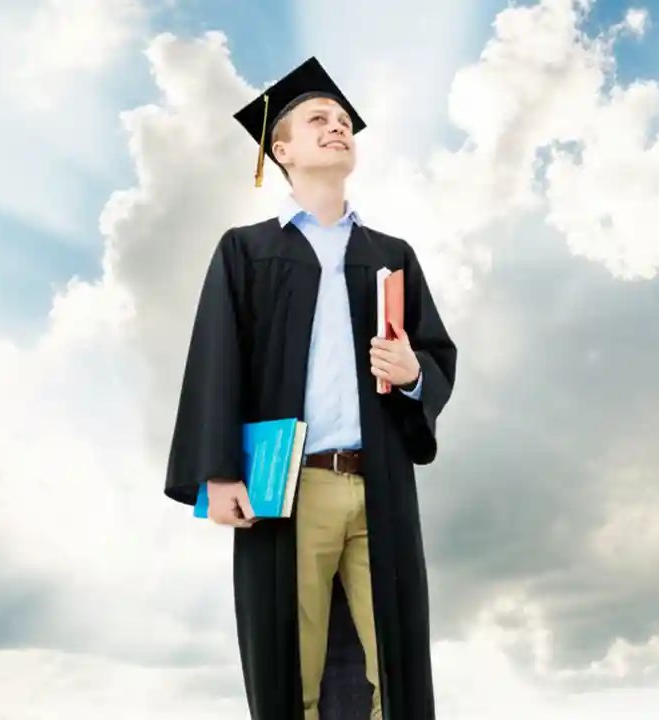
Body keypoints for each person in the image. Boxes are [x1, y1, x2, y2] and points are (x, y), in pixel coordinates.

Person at [164, 56, 457, 720]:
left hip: (378, 484)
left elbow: (434, 355)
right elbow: (215, 360)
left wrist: (413, 377)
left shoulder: (392, 256)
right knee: (290, 666)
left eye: (344, 121)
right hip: (290, 489)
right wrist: (215, 473)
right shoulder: (246, 251)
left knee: (398, 668)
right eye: (317, 119)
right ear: (282, 148)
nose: (337, 128)